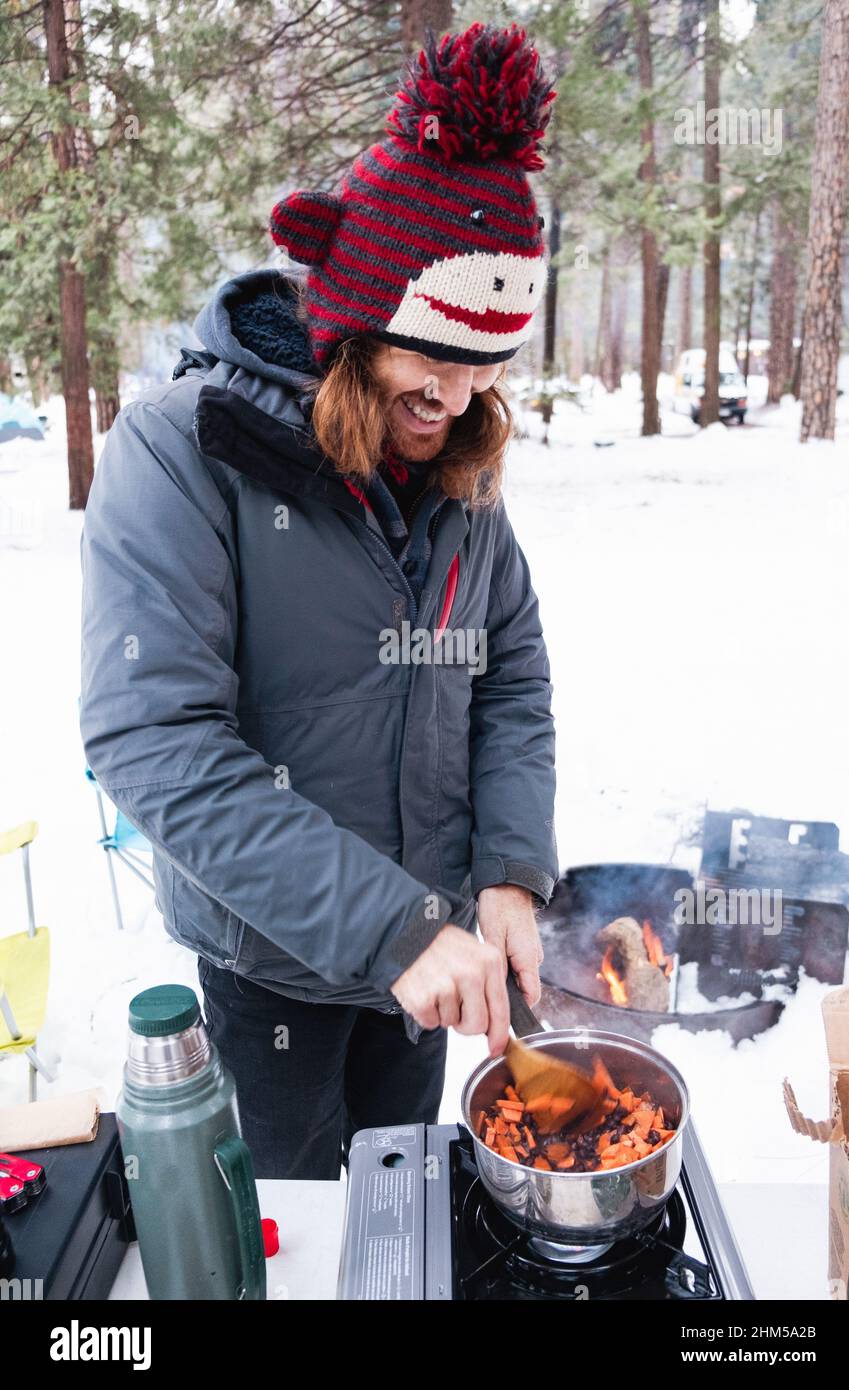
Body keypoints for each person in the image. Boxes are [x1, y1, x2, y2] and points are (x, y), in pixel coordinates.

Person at [79, 21, 558, 1178]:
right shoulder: (179, 453)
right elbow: (151, 739)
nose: (454, 399)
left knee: (398, 1213)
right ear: (349, 318)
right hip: (276, 966)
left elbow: (510, 676)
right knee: (293, 1238)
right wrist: (383, 926)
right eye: (428, 362)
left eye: (484, 366)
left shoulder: (458, 463)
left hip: (433, 959)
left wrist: (502, 866)